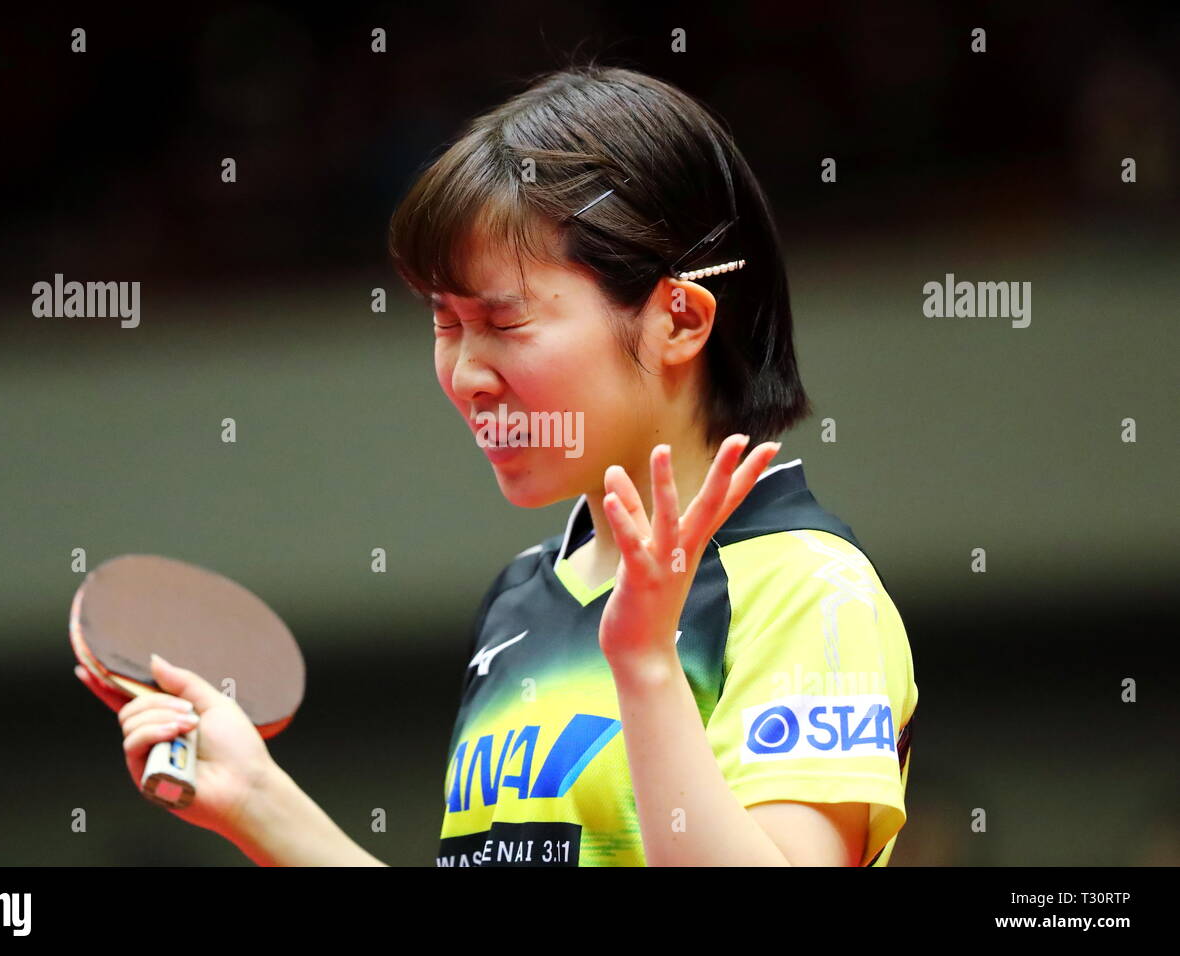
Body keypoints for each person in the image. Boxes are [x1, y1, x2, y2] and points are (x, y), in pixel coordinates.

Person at [77, 62, 917, 867]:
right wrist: (258, 803)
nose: (466, 375)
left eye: (504, 322)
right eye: (445, 323)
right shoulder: (522, 599)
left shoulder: (807, 588)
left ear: (680, 319)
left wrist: (648, 666)